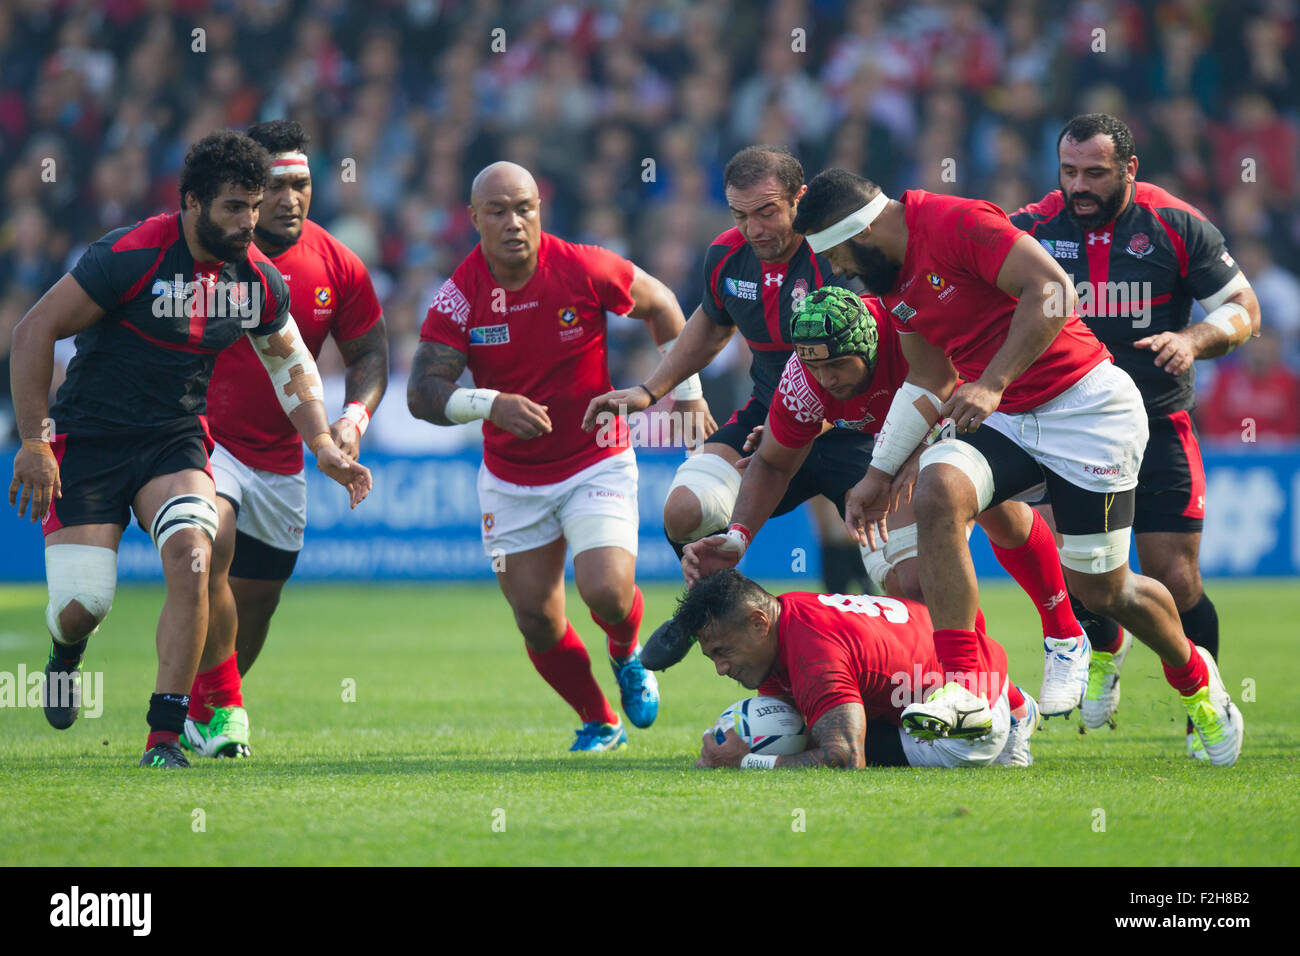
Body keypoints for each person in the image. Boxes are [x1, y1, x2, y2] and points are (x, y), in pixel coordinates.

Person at [793, 167, 1242, 766]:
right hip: (1010, 416)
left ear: (865, 229)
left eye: (842, 256)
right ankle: (965, 687)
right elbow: (928, 376)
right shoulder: (892, 280)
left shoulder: (956, 222)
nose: (843, 272)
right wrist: (878, 472)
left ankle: (1197, 680)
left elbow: (1055, 290)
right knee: (937, 491)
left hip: (1087, 409)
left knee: (1105, 591)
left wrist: (993, 381)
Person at [7, 130, 371, 769]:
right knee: (81, 607)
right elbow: (34, 330)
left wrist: (323, 441)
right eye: (235, 207)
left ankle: (164, 737)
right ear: (192, 202)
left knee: (195, 554)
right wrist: (35, 442)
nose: (249, 222)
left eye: (254, 207)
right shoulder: (128, 254)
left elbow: (292, 365)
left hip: (173, 441)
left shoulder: (255, 277)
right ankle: (65, 651)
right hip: (89, 441)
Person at [584, 146, 900, 669]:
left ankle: (937, 669)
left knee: (906, 572)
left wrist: (803, 428)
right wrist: (651, 390)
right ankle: (715, 617)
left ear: (800, 200)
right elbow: (711, 323)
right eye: (740, 215)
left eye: (767, 212)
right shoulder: (727, 257)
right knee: (685, 510)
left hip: (857, 427)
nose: (753, 228)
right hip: (767, 419)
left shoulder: (842, 256)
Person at [408, 161, 687, 751]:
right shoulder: (459, 297)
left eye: (525, 208)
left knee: (607, 594)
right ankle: (599, 719)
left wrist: (684, 395)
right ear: (474, 219)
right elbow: (422, 394)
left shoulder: (583, 266)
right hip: (512, 479)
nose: (514, 222)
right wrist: (489, 404)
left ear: (541, 210)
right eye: (499, 211)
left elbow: (662, 304)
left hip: (596, 459)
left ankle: (624, 652)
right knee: (535, 616)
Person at [1010, 113, 1262, 756]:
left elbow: (1244, 310)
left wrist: (1192, 338)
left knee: (1174, 579)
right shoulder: (1035, 227)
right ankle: (1104, 649)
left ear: (1130, 169)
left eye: (1095, 173)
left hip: (1157, 423)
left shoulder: (1176, 225)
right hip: (1068, 428)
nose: (1079, 186)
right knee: (1085, 575)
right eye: (1068, 172)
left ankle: (1204, 703)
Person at [182, 120, 389, 759]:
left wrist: (351, 420)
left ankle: (201, 709)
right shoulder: (204, 253)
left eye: (301, 185)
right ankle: (225, 714)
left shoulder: (336, 263)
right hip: (204, 441)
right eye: (274, 187)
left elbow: (371, 356)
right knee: (208, 544)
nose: (290, 199)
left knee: (256, 606)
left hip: (283, 458)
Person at [675, 570, 1035, 769]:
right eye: (712, 657)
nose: (721, 669)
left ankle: (1006, 714)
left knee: (823, 735)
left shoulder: (814, 654)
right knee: (817, 720)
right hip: (974, 671)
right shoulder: (787, 611)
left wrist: (747, 762)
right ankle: (1011, 699)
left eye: (723, 651)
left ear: (758, 623)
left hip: (962, 731)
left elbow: (845, 757)